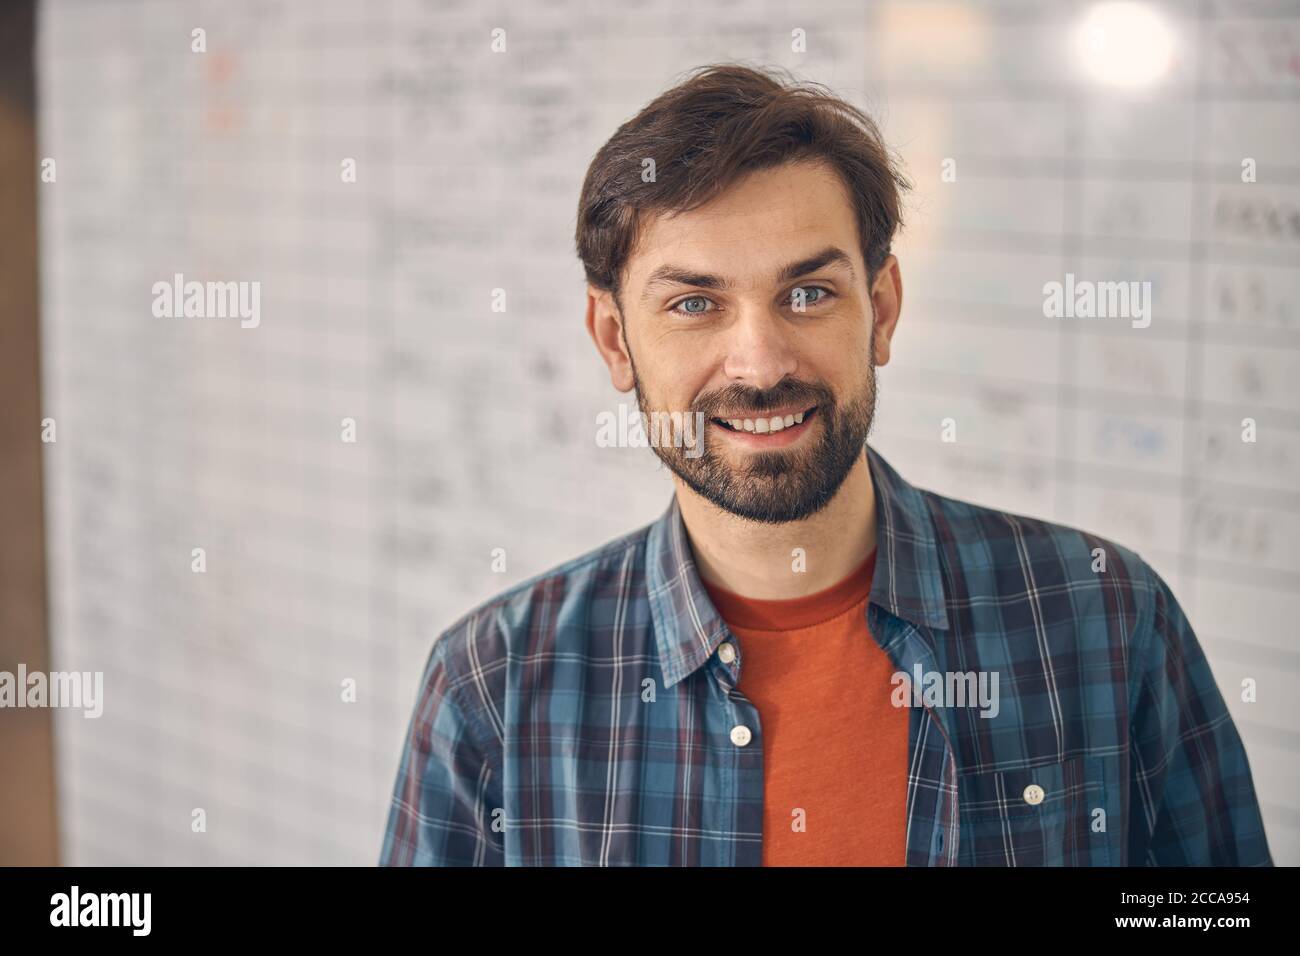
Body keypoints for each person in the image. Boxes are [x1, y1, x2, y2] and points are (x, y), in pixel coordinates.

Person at [380, 64, 1272, 866]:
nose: (761, 365)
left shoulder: (1106, 618)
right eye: (694, 303)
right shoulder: (491, 688)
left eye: (808, 294)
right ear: (616, 340)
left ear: (880, 310)